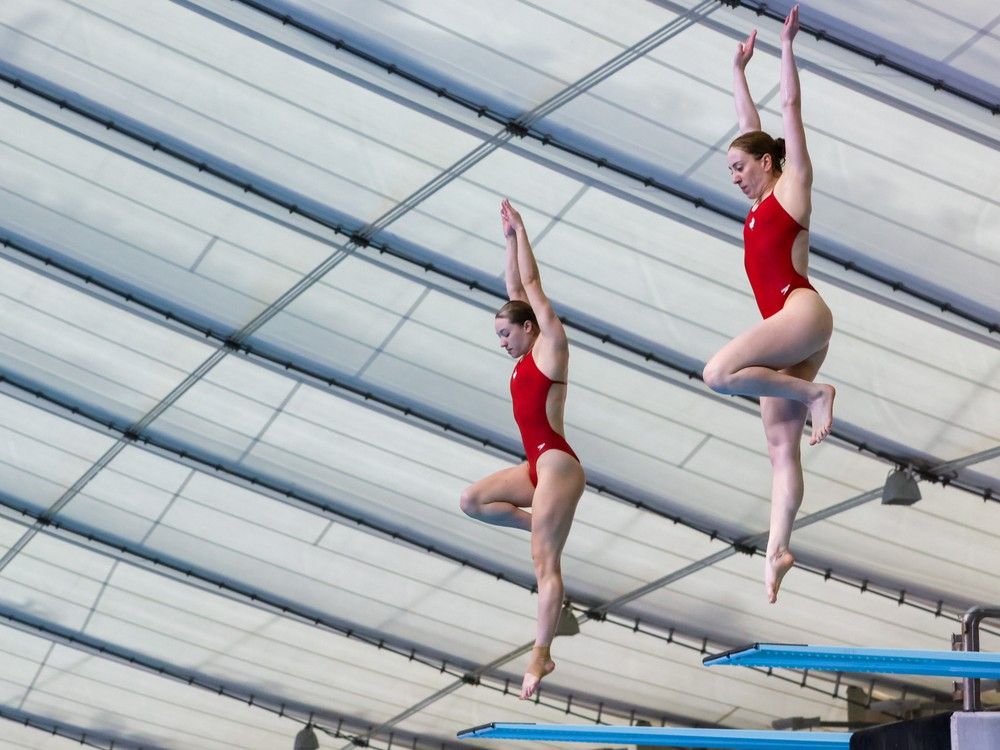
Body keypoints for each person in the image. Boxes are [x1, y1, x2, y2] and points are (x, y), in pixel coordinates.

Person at [702, 4, 835, 604]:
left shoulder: (793, 187)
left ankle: (816, 394)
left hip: (800, 311)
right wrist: (736, 70)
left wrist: (785, 48)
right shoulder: (758, 204)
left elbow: (789, 108)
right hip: (789, 326)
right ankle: (778, 548)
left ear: (767, 163)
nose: (733, 177)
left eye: (738, 168)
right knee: (781, 447)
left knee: (718, 373)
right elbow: (748, 124)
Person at [460, 199, 585, 699]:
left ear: (529, 328)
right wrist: (508, 240)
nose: (502, 343)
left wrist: (525, 231)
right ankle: (539, 524)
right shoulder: (525, 349)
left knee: (543, 564)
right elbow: (515, 289)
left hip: (557, 465)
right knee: (472, 501)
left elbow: (530, 287)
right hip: (535, 466)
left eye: (505, 334)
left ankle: (541, 653)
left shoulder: (551, 346)